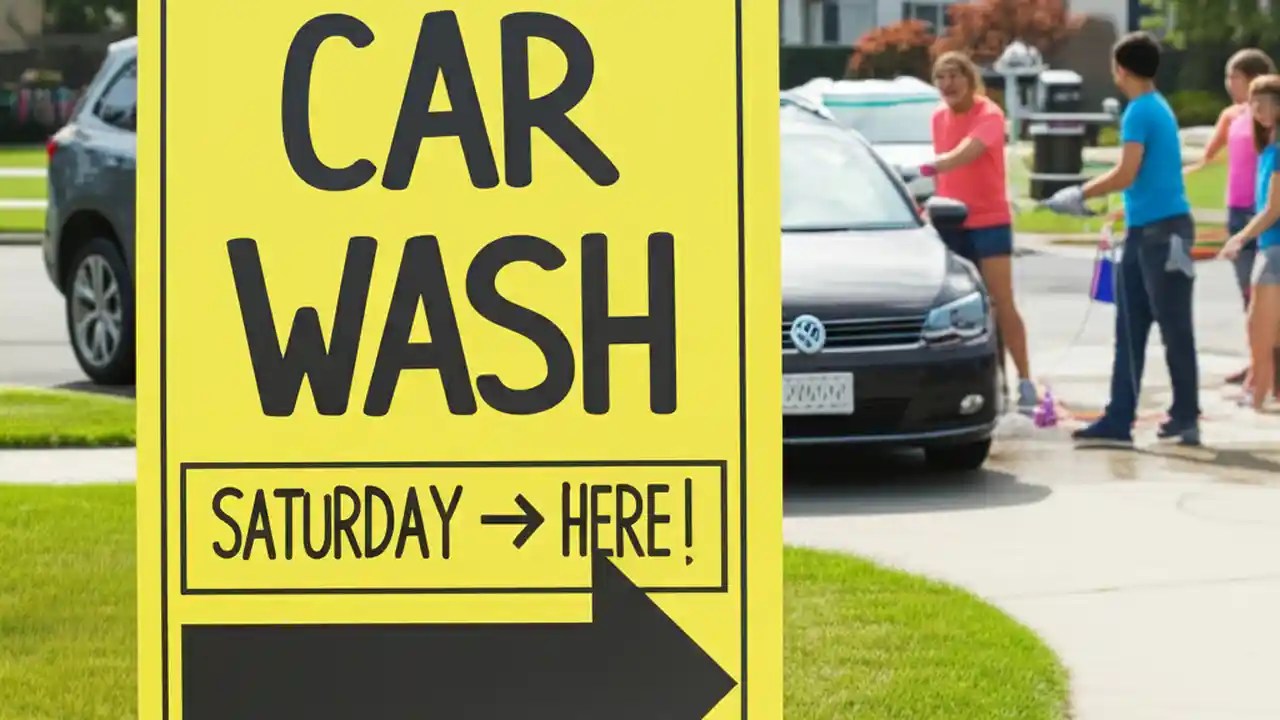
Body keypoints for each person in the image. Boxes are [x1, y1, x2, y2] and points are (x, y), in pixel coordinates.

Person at [1042, 31, 1201, 447]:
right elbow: (1146, 178)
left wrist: (1081, 192)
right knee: (1130, 327)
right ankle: (1120, 416)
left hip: (1162, 235)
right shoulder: (1155, 107)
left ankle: (1185, 415)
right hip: (1146, 231)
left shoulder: (1139, 112)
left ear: (1121, 69)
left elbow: (1127, 173)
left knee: (1173, 327)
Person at [913, 50, 1039, 414]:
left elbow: (966, 153)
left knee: (1000, 300)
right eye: (941, 77)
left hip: (989, 220)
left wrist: (927, 165)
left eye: (954, 76)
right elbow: (944, 175)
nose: (947, 84)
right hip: (952, 221)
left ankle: (1026, 379)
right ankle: (986, 383)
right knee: (962, 309)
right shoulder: (938, 118)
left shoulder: (989, 114)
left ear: (970, 80)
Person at [1184, 48, 1276, 385]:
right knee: (1247, 291)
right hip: (1236, 211)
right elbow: (1208, 157)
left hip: (1266, 210)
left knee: (1270, 291)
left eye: (1233, 77)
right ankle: (1257, 362)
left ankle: (1268, 367)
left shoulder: (1268, 117)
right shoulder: (1229, 116)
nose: (1228, 84)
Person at [1219, 73, 1280, 411]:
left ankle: (1257, 400)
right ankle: (1259, 395)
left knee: (1261, 330)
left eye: (1263, 103)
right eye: (1253, 103)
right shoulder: (1270, 147)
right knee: (1264, 330)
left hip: (1274, 249)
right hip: (1269, 247)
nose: (1256, 110)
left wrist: (1240, 237)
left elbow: (1274, 208)